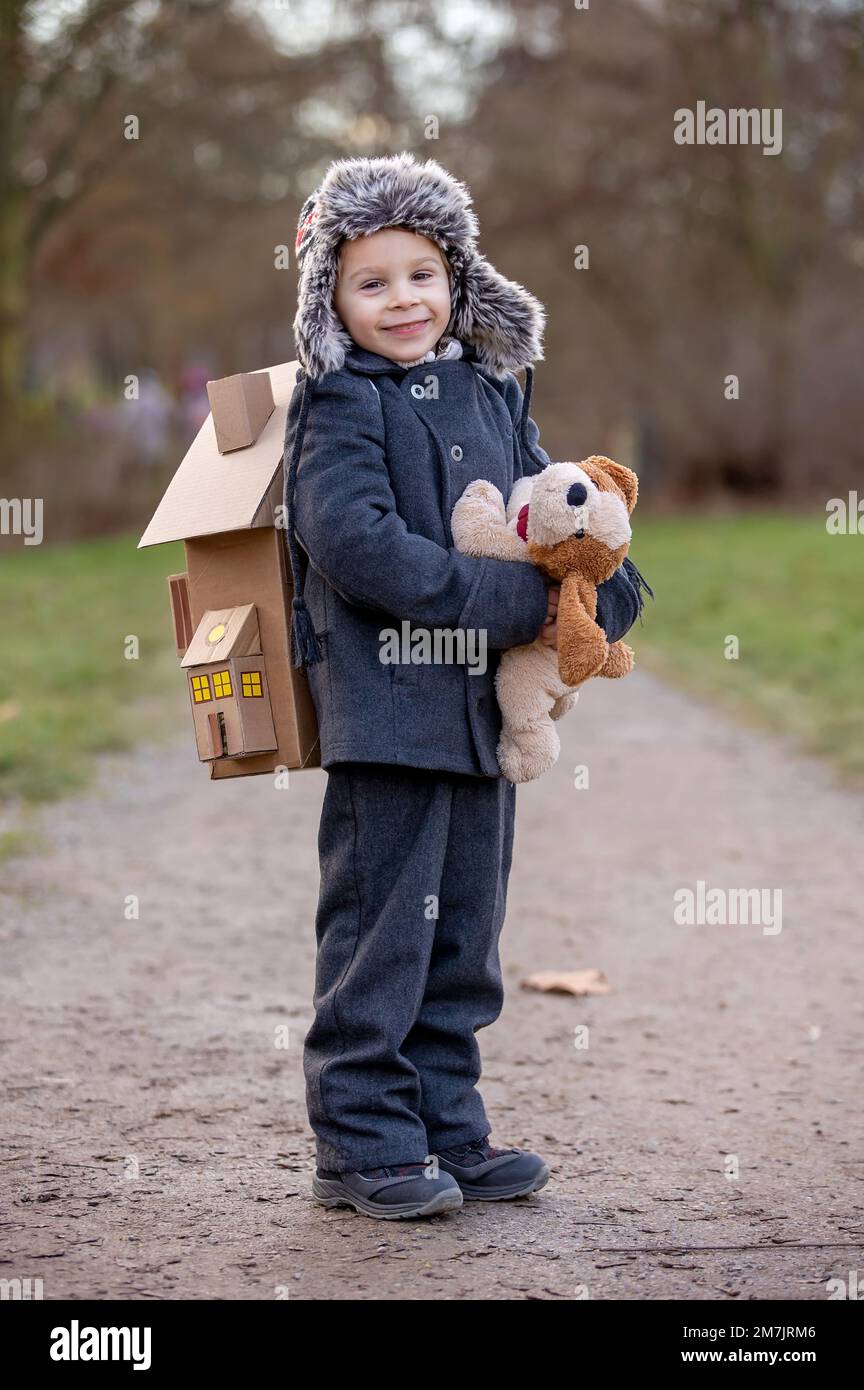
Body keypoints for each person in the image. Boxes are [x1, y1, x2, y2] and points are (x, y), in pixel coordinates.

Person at [282, 151, 652, 1220]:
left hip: (480, 721)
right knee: (381, 934)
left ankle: (445, 1121)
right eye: (369, 280)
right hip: (390, 710)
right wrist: (514, 611)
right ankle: (361, 1140)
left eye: (420, 273)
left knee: (462, 935)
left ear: (459, 276)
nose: (401, 299)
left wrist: (600, 593)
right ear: (329, 302)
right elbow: (356, 544)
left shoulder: (492, 390)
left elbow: (550, 516)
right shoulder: (339, 404)